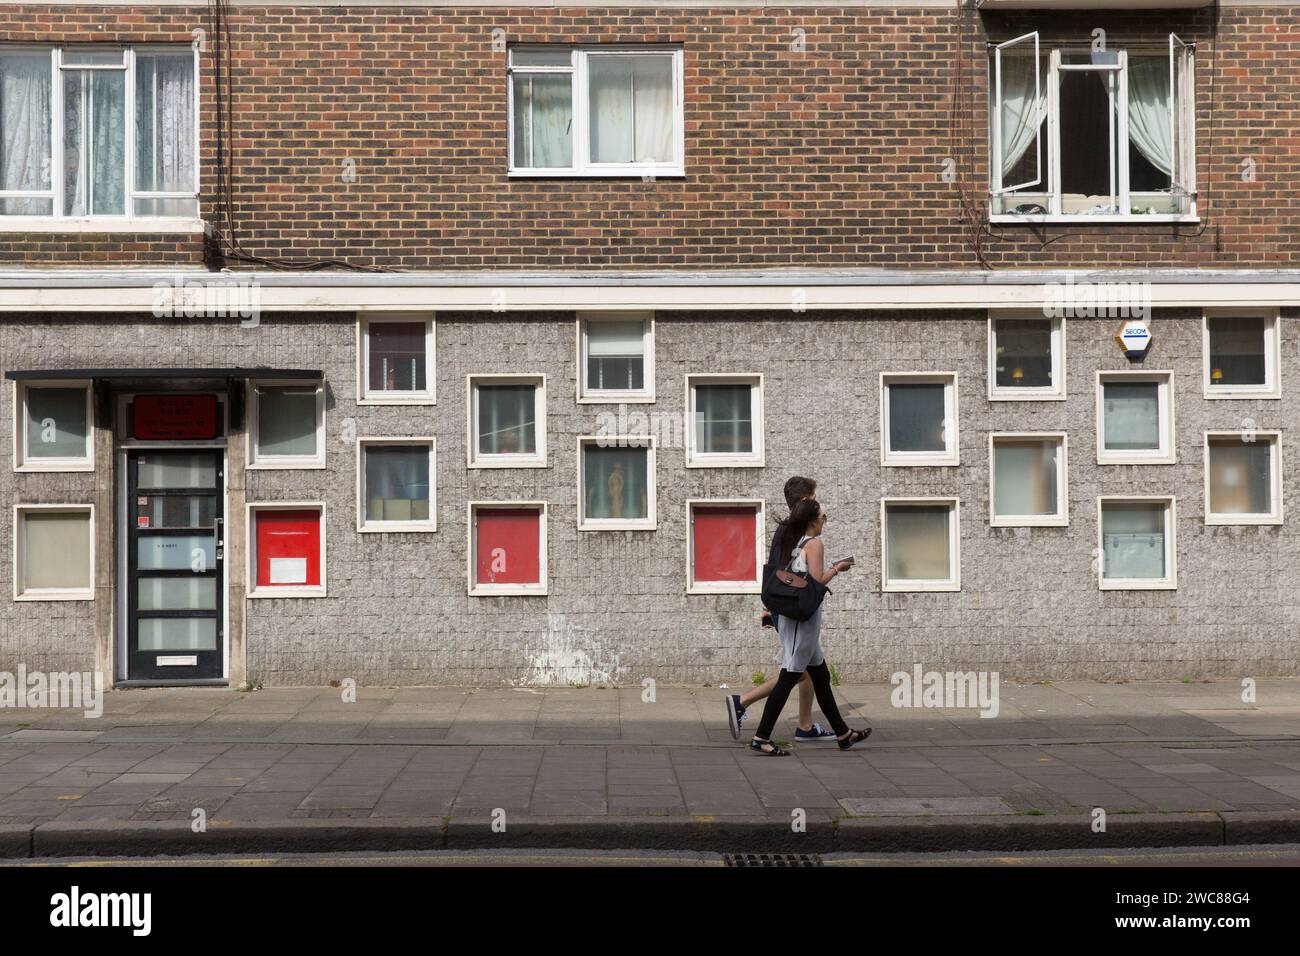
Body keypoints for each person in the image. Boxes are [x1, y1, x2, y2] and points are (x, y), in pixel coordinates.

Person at [748, 498, 871, 755]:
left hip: (801, 620)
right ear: (814, 520)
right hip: (802, 623)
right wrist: (838, 568)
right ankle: (761, 737)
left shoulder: (796, 543)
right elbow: (815, 584)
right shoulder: (814, 544)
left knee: (821, 677)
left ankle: (843, 734)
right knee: (789, 675)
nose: (825, 521)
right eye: (824, 517)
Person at [726, 476, 837, 742]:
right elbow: (784, 576)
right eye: (813, 499)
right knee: (796, 671)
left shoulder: (791, 530)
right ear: (804, 501)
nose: (818, 507)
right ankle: (743, 704)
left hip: (788, 608)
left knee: (809, 669)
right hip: (793, 610)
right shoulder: (793, 531)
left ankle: (806, 726)